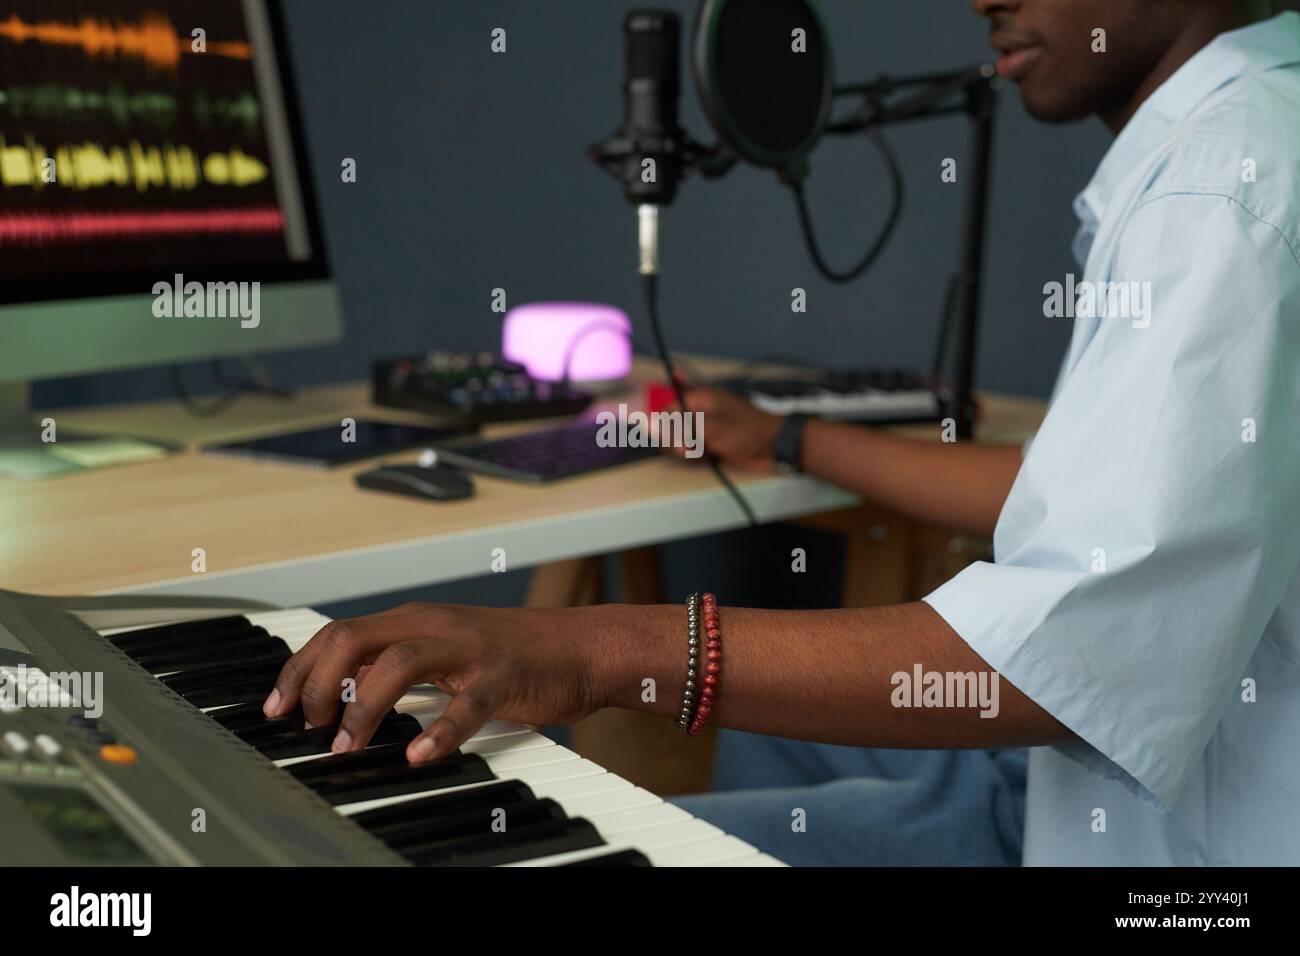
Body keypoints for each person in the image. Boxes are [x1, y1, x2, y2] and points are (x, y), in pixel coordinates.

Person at [264, 0, 1300, 865]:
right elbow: (1082, 497)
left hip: (1165, 849)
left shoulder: (1218, 188)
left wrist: (596, 650)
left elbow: (1071, 657)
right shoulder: (1248, 133)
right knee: (758, 754)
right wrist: (791, 438)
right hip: (1067, 792)